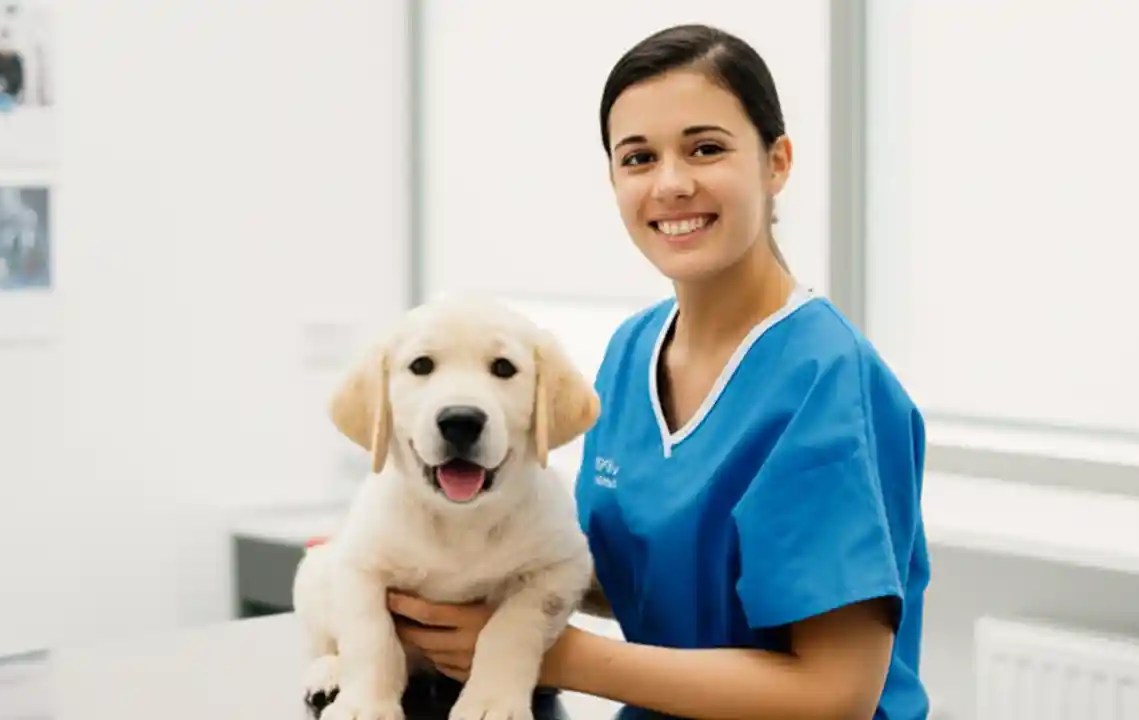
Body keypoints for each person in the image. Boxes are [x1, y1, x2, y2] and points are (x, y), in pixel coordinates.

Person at [387, 23, 930, 720]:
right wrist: (426, 564)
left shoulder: (828, 381)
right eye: (638, 158)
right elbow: (640, 579)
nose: (671, 184)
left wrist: (560, 656)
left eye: (706, 148)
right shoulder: (630, 352)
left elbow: (834, 693)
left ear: (777, 163)